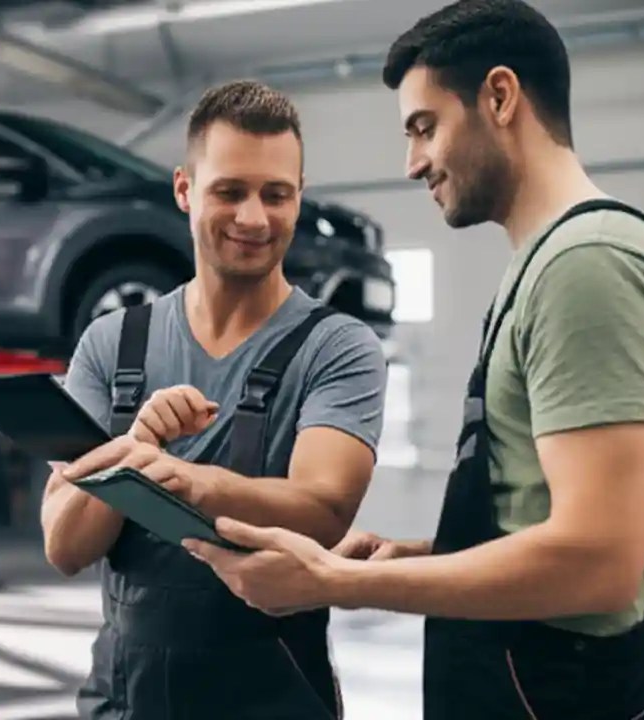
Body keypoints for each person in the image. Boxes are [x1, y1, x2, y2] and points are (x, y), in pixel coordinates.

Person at [184, 2, 644, 719]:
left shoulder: (590, 266)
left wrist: (334, 581)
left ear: (499, 97)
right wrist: (428, 555)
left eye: (424, 126)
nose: (413, 162)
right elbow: (541, 515)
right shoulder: (550, 266)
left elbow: (598, 564)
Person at [40, 79, 388, 720]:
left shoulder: (338, 347)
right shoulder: (112, 342)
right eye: (230, 191)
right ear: (184, 190)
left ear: (298, 198)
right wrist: (135, 449)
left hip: (275, 703)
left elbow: (323, 508)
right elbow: (64, 546)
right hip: (125, 702)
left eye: (275, 195)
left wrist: (188, 482)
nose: (253, 218)